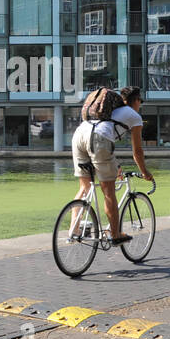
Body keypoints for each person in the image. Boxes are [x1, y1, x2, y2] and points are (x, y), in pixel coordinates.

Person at [70, 85, 153, 243]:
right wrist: (145, 172)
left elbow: (107, 147)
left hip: (80, 134)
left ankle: (73, 230)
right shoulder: (134, 116)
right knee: (109, 192)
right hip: (98, 137)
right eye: (140, 101)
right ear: (135, 100)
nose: (140, 104)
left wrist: (117, 166)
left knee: (85, 188)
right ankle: (115, 234)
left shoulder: (109, 110)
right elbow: (137, 152)